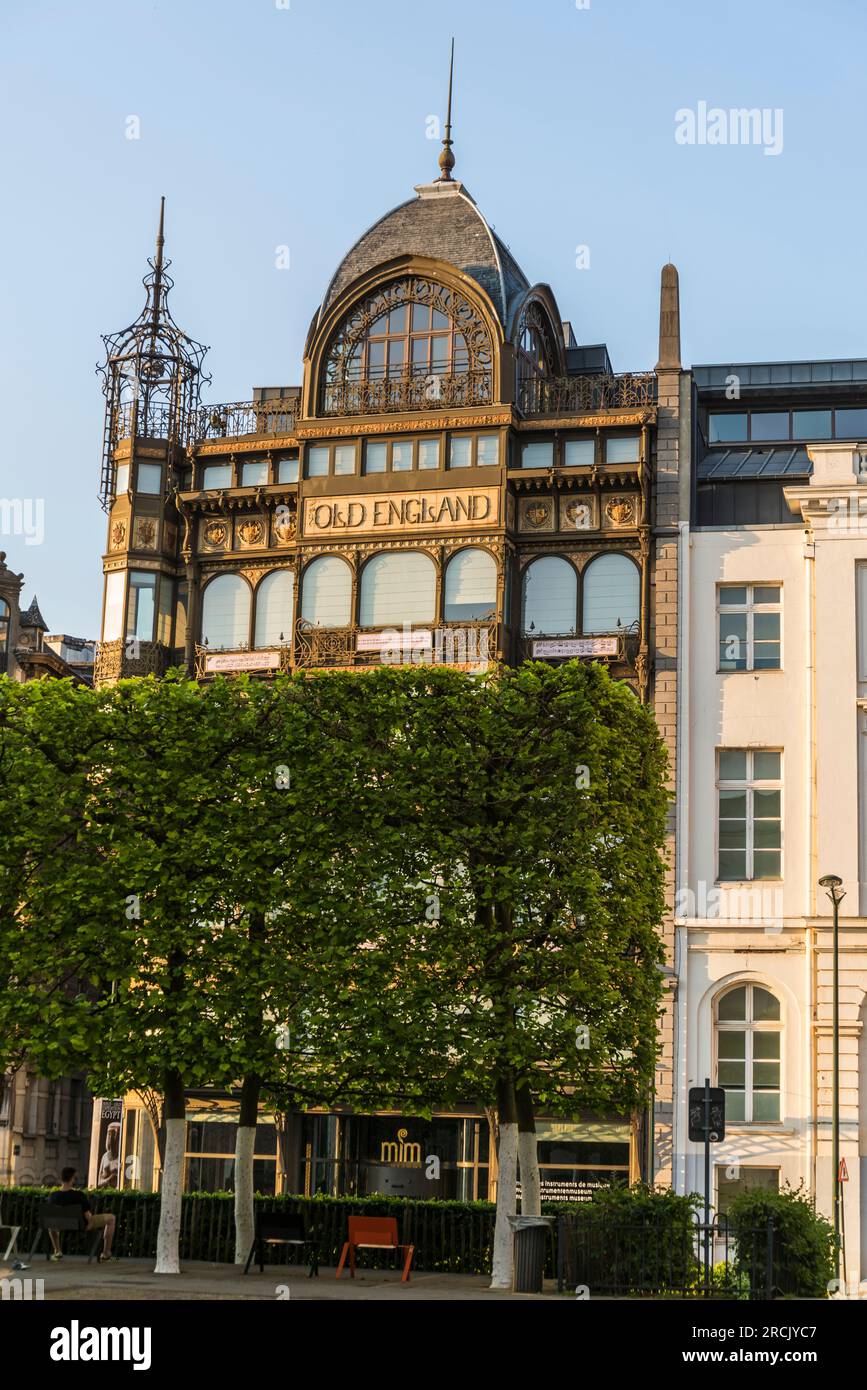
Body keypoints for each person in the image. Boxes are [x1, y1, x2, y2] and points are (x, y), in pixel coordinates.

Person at [47, 1167, 117, 1262]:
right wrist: (90, 1223)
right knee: (111, 1218)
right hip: (81, 1225)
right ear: (72, 1179)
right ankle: (106, 1254)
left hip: (59, 1226)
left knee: (52, 1225)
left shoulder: (53, 1196)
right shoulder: (79, 1195)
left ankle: (57, 1251)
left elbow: (50, 1217)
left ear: (61, 1179)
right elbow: (88, 1215)